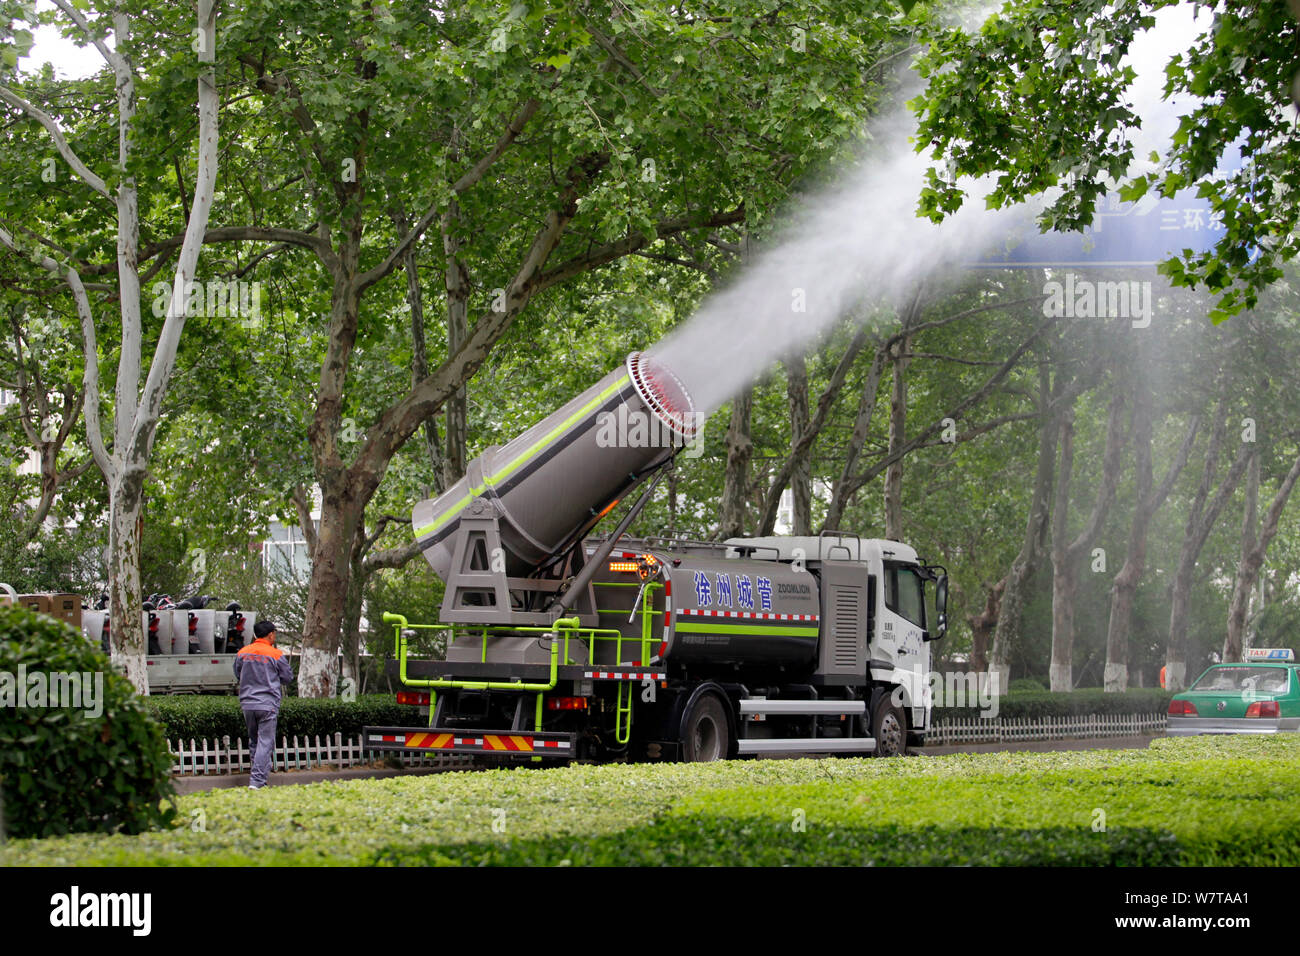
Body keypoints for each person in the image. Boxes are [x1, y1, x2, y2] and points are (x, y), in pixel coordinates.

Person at [233, 620, 294, 789]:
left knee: (254, 741)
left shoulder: (242, 653)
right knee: (265, 742)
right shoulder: (275, 654)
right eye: (274, 633)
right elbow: (288, 678)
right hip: (267, 704)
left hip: (247, 704)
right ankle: (257, 781)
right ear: (270, 635)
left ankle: (259, 779)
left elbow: (238, 673)